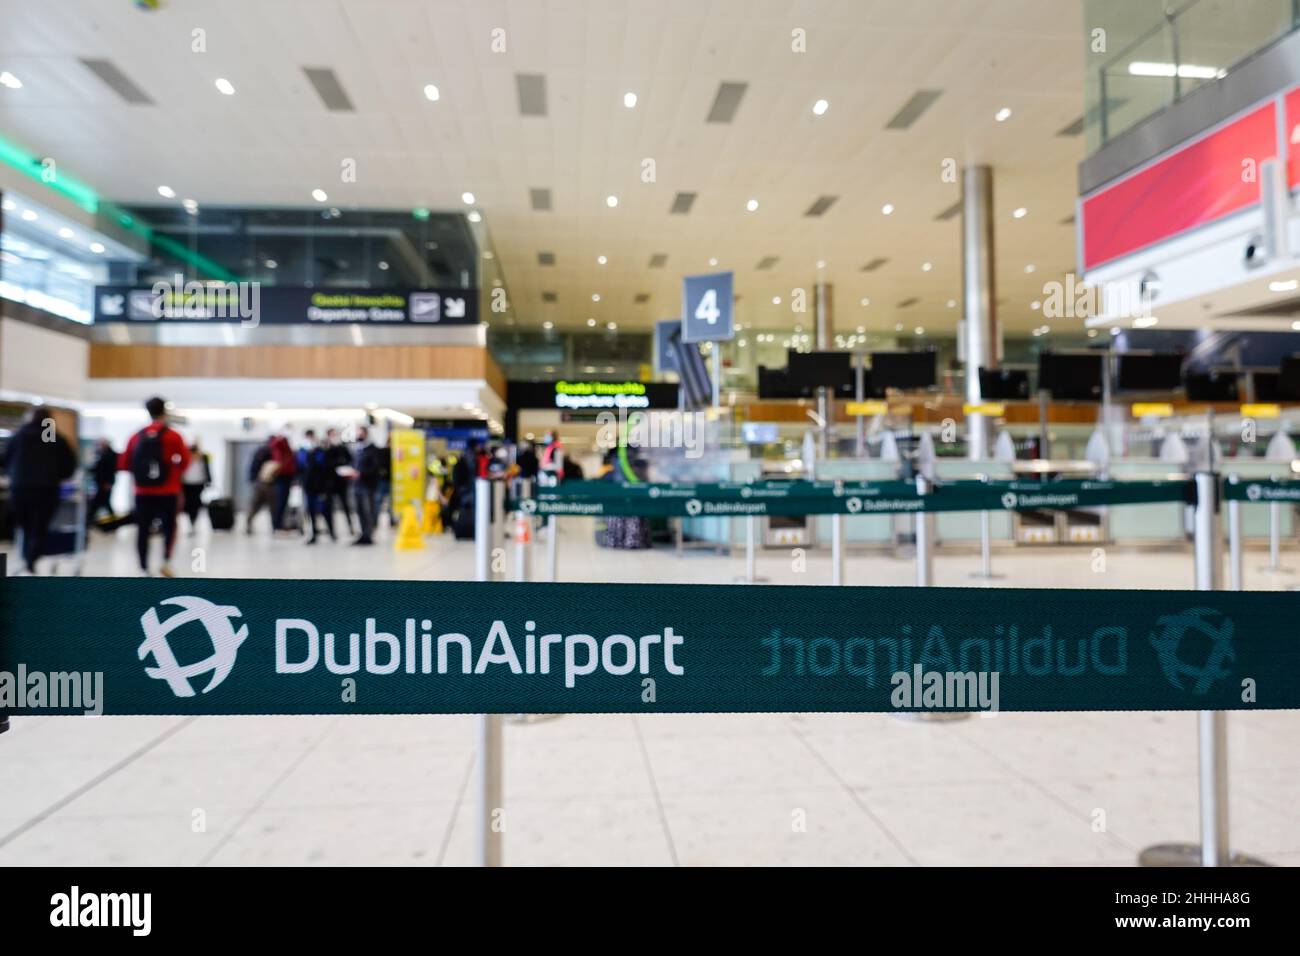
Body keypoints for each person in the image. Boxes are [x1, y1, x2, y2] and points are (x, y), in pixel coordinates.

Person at [119, 396, 190, 577]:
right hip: (169, 491)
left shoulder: (136, 436)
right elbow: (185, 461)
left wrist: (140, 476)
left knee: (142, 529)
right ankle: (165, 562)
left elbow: (124, 464)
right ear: (164, 411)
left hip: (142, 492)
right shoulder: (174, 436)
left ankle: (143, 568)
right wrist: (174, 474)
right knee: (169, 528)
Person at [2, 406, 77, 574]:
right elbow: (67, 465)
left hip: (20, 488)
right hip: (46, 488)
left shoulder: (19, 435)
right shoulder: (51, 436)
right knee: (39, 527)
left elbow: (5, 460)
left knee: (26, 526)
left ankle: (28, 558)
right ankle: (30, 559)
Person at [297, 430, 334, 543]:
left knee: (325, 509)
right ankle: (313, 533)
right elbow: (301, 465)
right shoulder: (303, 452)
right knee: (311, 511)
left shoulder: (320, 452)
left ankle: (332, 532)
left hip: (321, 486)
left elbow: (323, 465)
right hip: (308, 486)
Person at [351, 426, 383, 545]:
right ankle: (363, 534)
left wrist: (361, 473)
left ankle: (368, 534)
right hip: (357, 485)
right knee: (359, 511)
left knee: (368, 510)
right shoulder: (358, 449)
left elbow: (374, 467)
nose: (358, 435)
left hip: (368, 485)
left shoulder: (372, 449)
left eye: (360, 433)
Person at [323, 428, 356, 536]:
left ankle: (351, 527)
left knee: (345, 505)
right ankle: (331, 530)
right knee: (329, 507)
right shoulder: (325, 449)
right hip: (329, 482)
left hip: (341, 482)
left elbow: (349, 459)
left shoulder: (342, 448)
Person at [268, 428, 298, 532]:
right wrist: (281, 435)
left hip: (287, 476)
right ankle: (277, 526)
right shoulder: (279, 442)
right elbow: (275, 444)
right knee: (280, 502)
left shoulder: (286, 445)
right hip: (282, 477)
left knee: (284, 502)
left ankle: (279, 524)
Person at [244, 439, 275, 533]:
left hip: (258, 482)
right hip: (264, 483)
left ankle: (248, 524)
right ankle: (275, 526)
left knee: (255, 505)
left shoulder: (260, 451)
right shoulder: (267, 452)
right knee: (270, 505)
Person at [180, 441, 211, 533]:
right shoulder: (185, 460)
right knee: (188, 504)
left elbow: (207, 470)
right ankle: (190, 521)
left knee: (195, 503)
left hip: (199, 484)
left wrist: (209, 481)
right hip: (187, 484)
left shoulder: (203, 459)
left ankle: (193, 522)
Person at [87, 438, 119, 524]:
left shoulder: (111, 454)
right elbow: (98, 468)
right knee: (102, 503)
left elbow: (111, 470)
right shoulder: (102, 453)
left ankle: (89, 520)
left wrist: (109, 482)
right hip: (101, 482)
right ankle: (89, 520)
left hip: (105, 483)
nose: (100, 445)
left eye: (101, 444)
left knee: (100, 503)